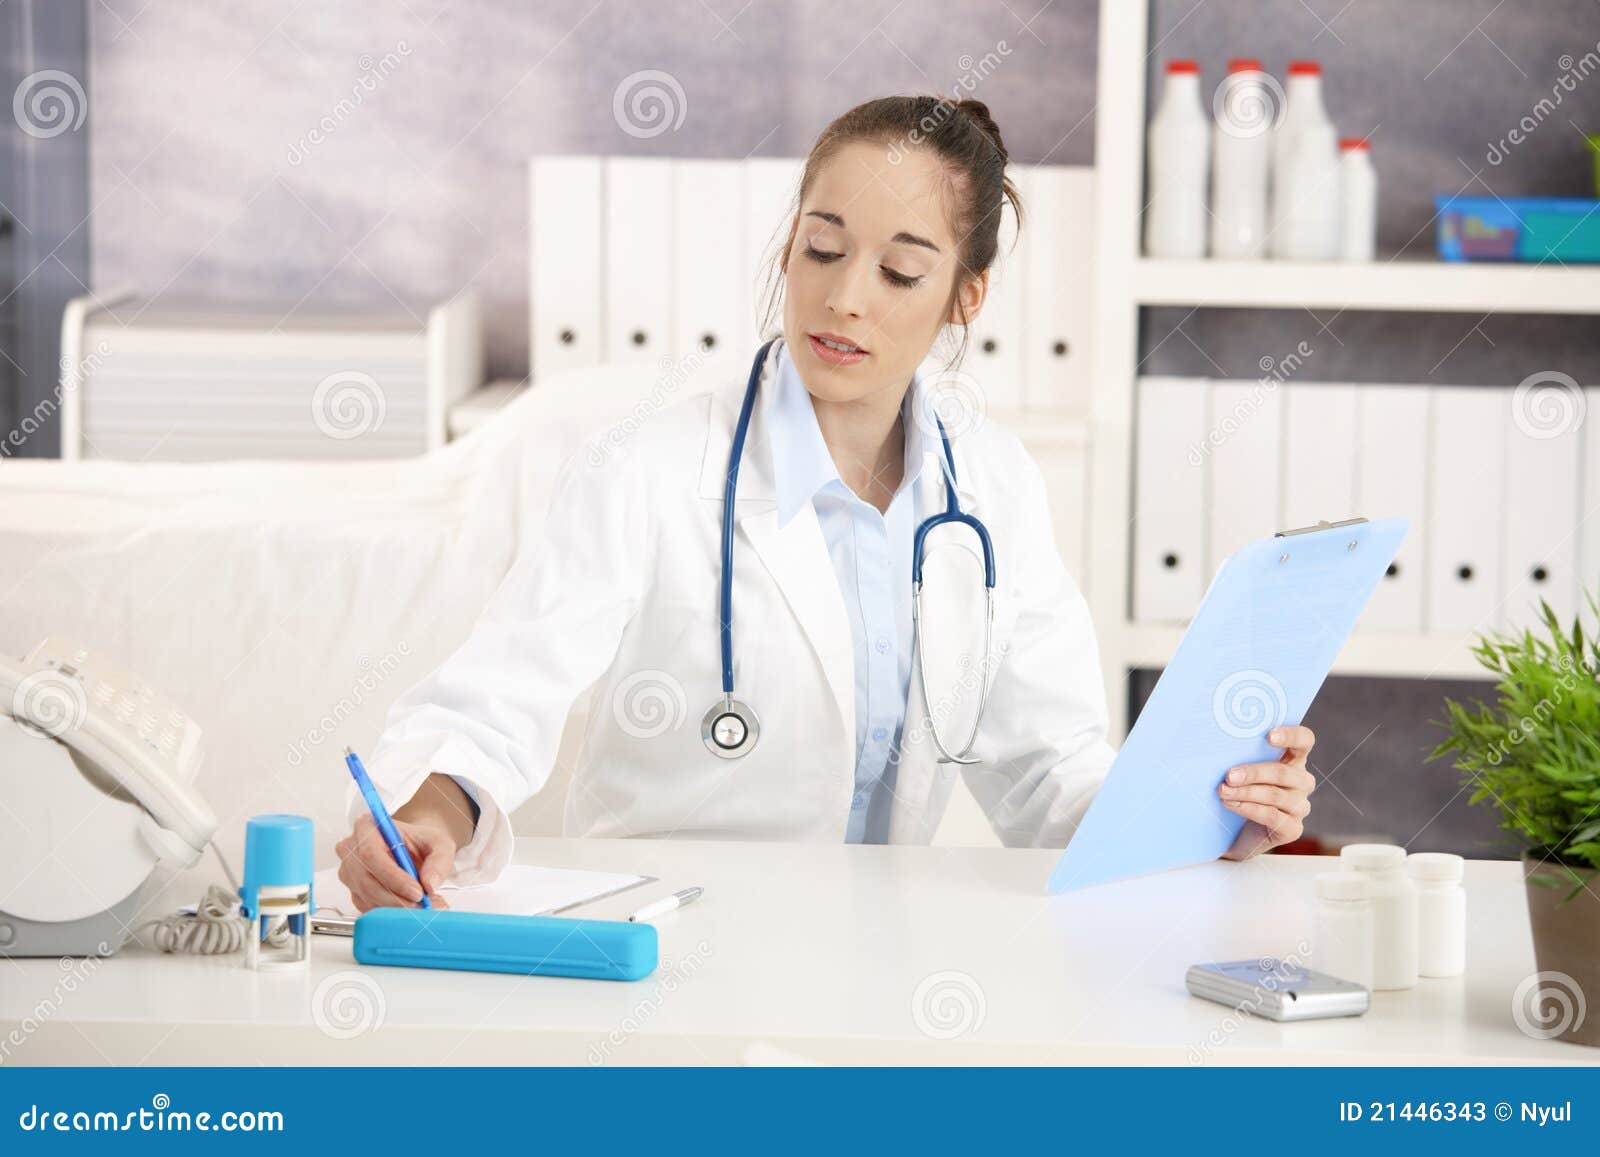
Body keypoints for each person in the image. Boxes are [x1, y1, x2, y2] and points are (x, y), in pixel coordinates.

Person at [335, 95, 1317, 911]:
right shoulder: (644, 470)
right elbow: (497, 705)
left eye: (899, 269)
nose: (845, 296)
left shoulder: (993, 487)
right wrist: (426, 815)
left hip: (881, 958)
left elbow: (1049, 773)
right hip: (669, 949)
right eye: (821, 248)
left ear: (964, 296)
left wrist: (1205, 814)